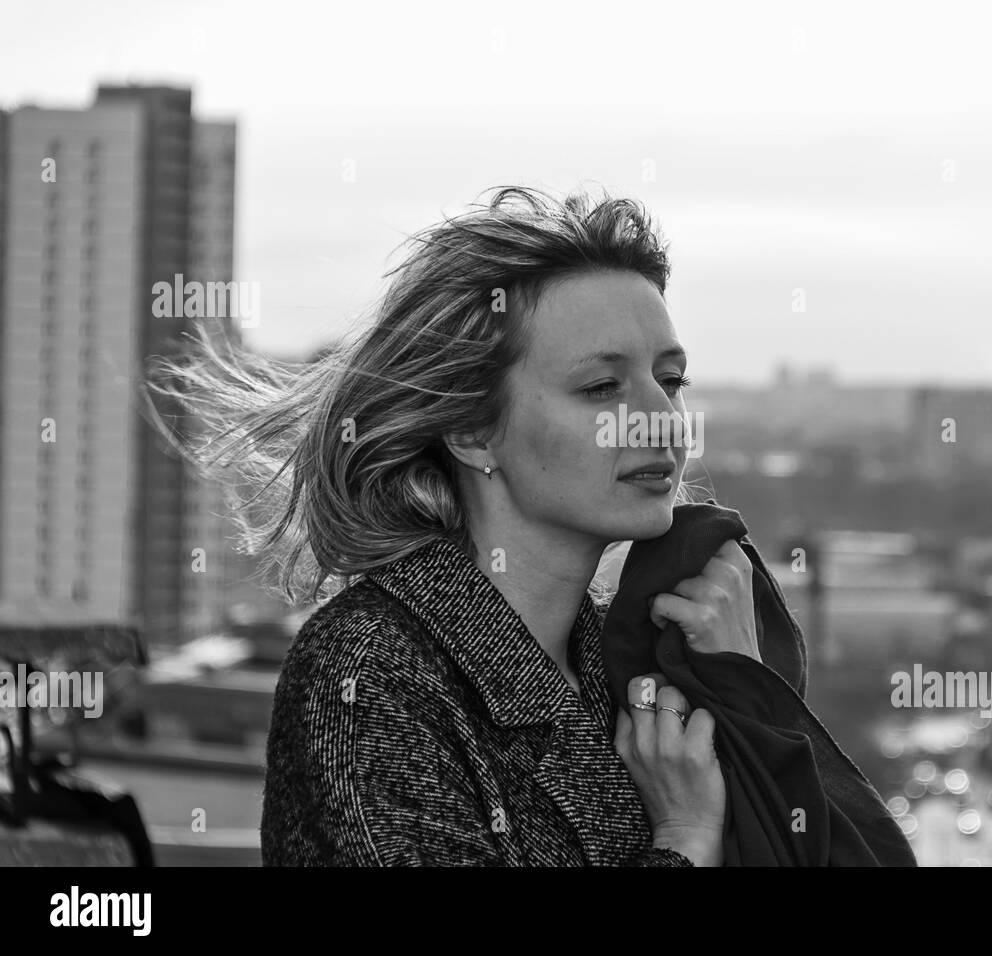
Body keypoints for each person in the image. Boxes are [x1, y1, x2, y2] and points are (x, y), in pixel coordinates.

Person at [145, 185, 761, 866]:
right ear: (472, 430)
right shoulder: (367, 673)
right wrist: (683, 842)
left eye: (669, 380)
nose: (659, 418)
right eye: (600, 388)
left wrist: (746, 693)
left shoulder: (631, 663)